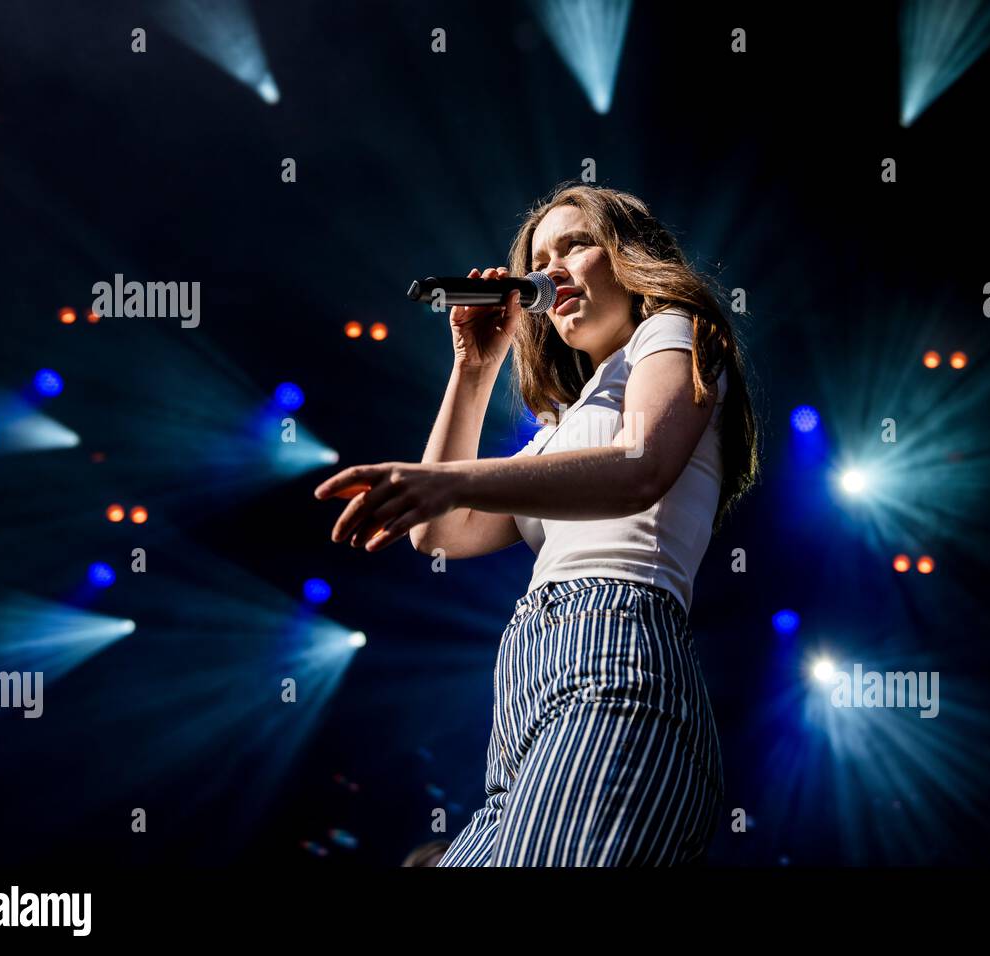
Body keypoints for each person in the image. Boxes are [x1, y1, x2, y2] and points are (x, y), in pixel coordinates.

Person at [315, 182, 759, 866]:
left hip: (616, 662)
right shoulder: (561, 426)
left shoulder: (671, 329)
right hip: (528, 699)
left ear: (629, 256)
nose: (549, 269)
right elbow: (441, 534)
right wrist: (474, 367)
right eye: (539, 256)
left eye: (576, 245)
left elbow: (639, 465)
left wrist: (446, 480)